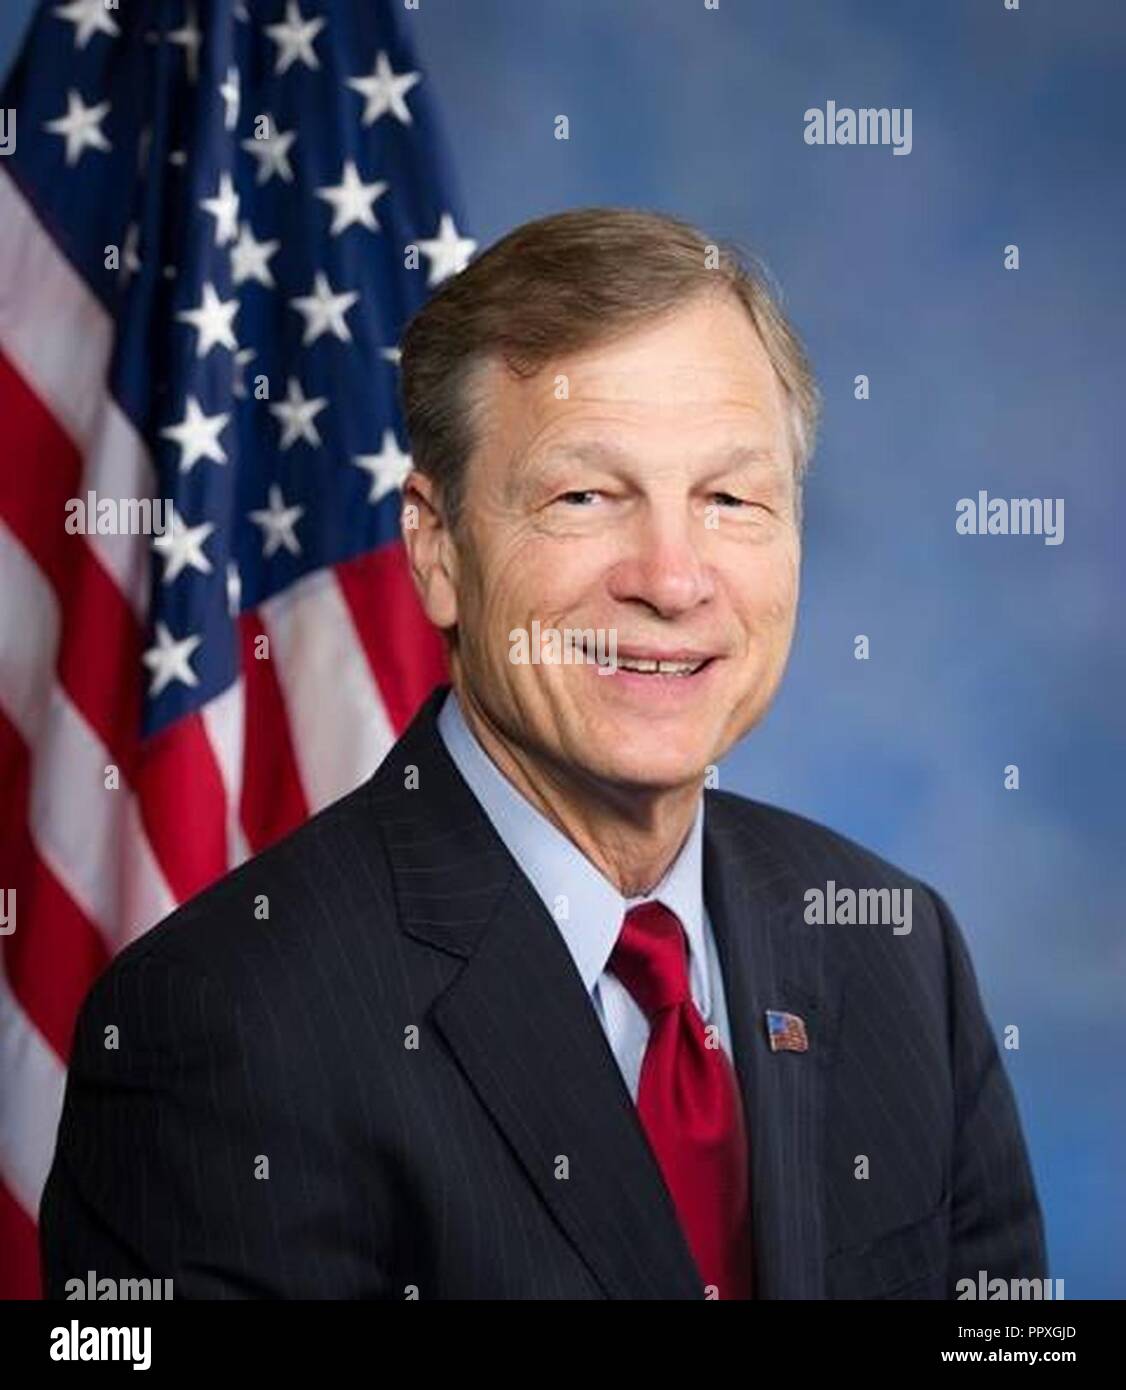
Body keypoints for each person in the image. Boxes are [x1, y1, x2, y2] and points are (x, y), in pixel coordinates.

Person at [40, 208, 1046, 1299]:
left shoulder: (895, 951)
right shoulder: (221, 1021)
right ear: (437, 552)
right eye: (584, 497)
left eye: (729, 499)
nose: (672, 578)